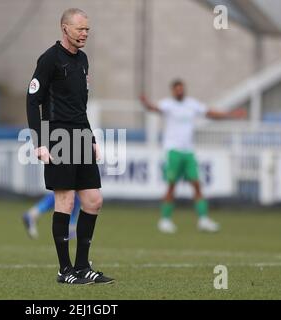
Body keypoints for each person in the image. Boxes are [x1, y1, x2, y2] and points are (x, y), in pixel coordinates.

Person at [26, 8, 114, 285]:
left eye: (87, 29)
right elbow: (32, 100)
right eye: (80, 29)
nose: (85, 33)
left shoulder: (83, 60)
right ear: (65, 29)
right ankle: (65, 271)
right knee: (65, 201)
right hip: (57, 137)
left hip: (80, 137)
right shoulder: (49, 59)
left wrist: (91, 139)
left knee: (93, 201)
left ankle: (82, 267)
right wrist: (39, 142)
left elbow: (80, 106)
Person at [140, 79, 247, 233]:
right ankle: (165, 220)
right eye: (177, 89)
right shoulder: (168, 104)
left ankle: (203, 219)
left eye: (182, 89)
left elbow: (210, 113)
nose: (180, 91)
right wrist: (146, 103)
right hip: (173, 151)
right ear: (173, 91)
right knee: (171, 185)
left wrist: (230, 114)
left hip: (188, 152)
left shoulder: (192, 104)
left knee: (196, 185)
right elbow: (154, 108)